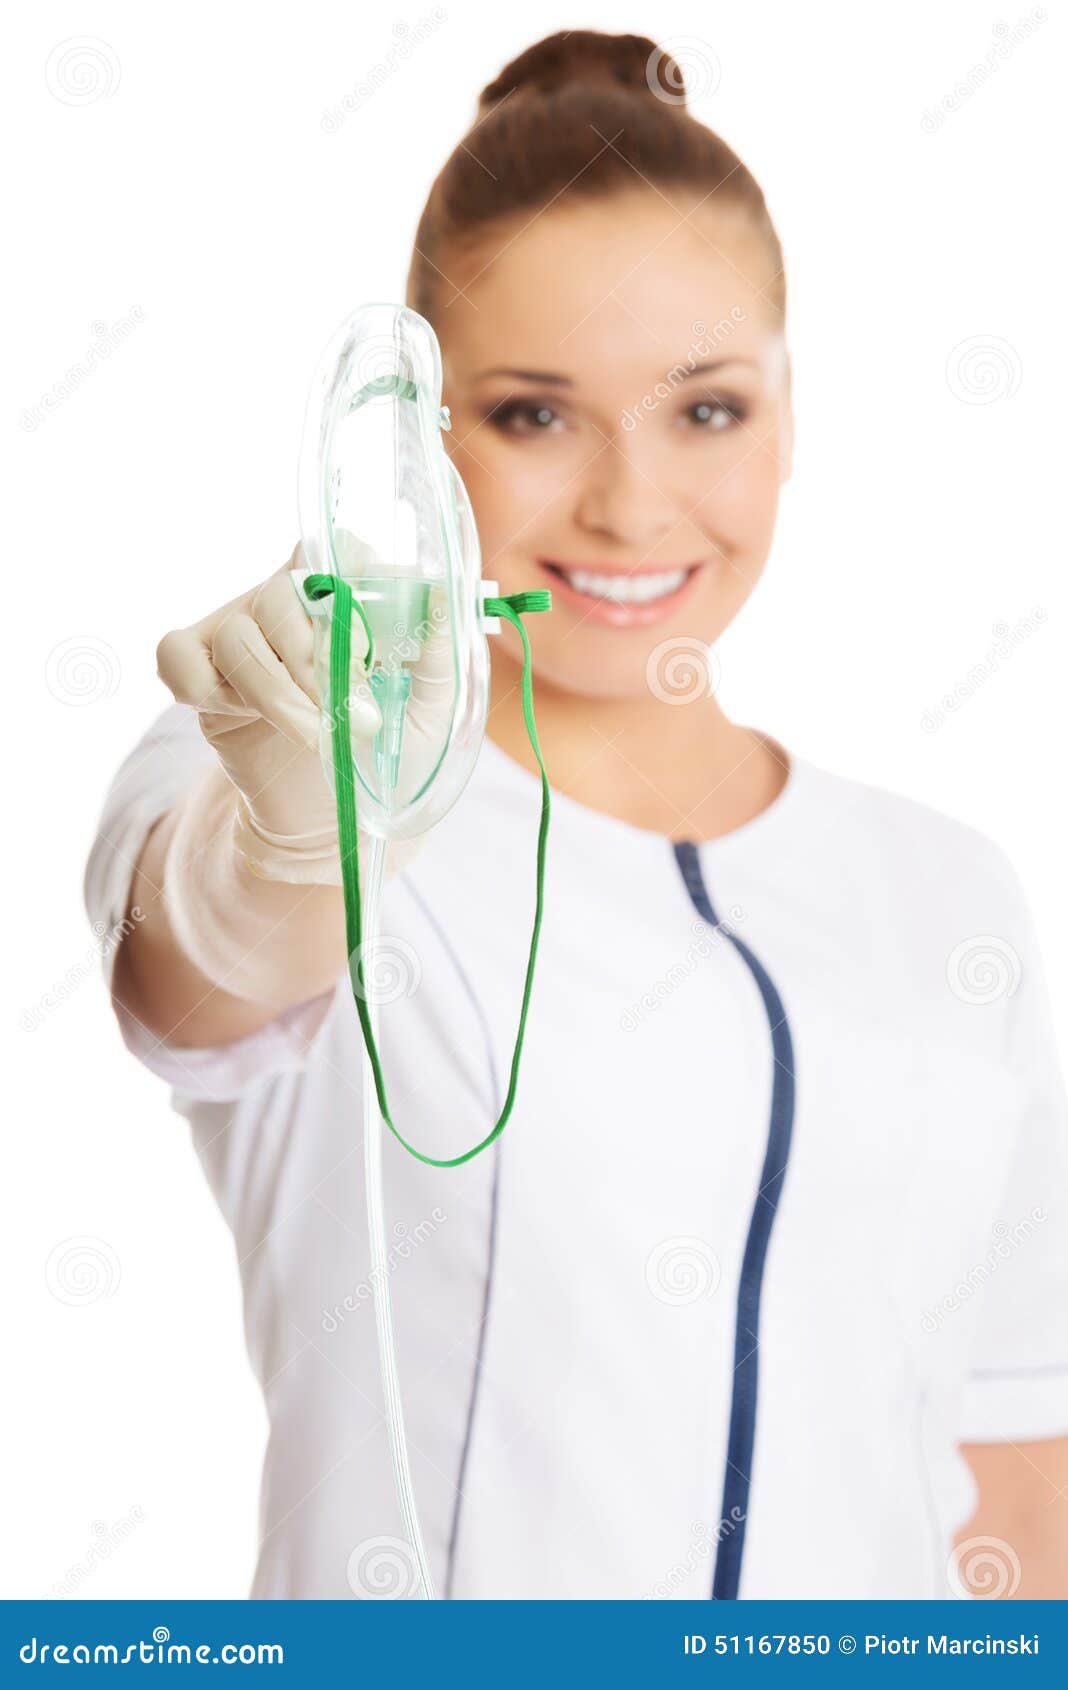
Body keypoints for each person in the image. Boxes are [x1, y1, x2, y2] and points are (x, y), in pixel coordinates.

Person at [85, 30, 1068, 1600]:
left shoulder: (948, 895)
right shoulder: (283, 751)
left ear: (791, 417)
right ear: (424, 432)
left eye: (706, 409)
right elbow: (202, 966)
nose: (628, 504)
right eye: (536, 414)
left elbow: (1014, 1471)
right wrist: (292, 841)